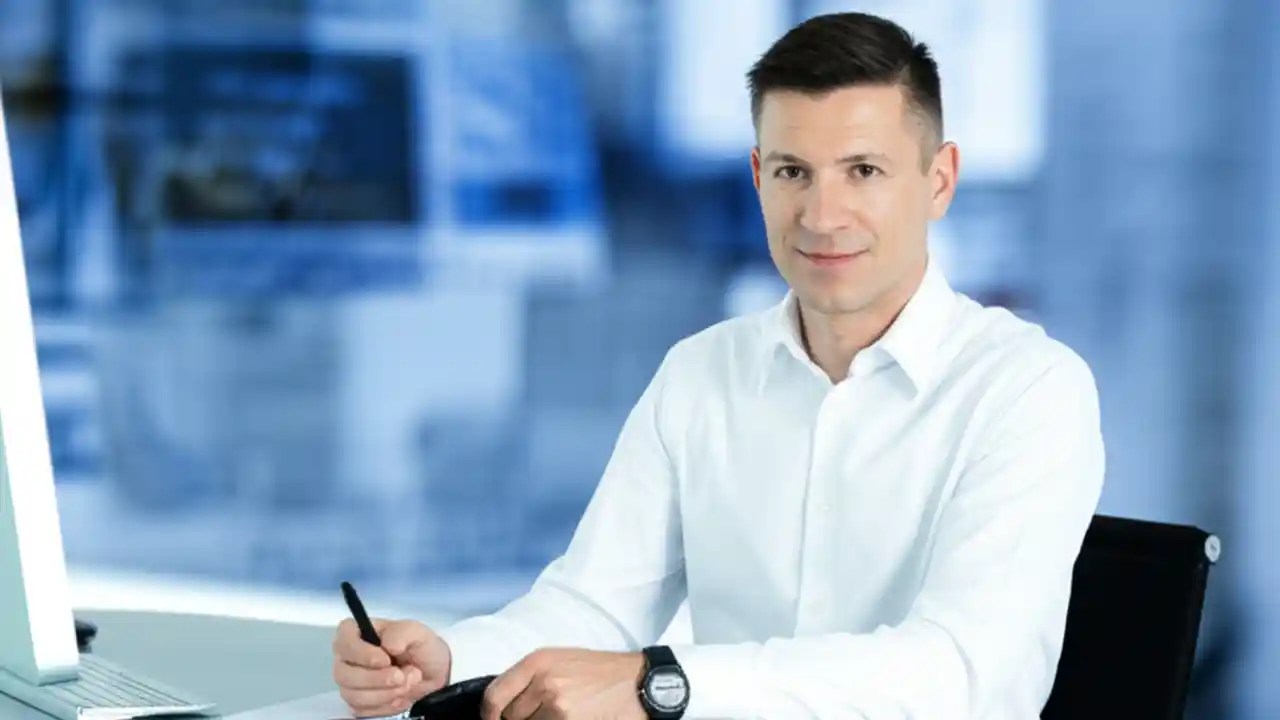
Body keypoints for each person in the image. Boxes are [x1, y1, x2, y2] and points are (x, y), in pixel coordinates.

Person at [331, 11, 1104, 719]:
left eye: (863, 171)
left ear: (938, 181)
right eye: (793, 172)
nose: (822, 215)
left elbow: (960, 676)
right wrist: (449, 661)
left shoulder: (1029, 390)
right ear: (758, 177)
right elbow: (594, 606)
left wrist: (659, 685)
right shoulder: (701, 373)